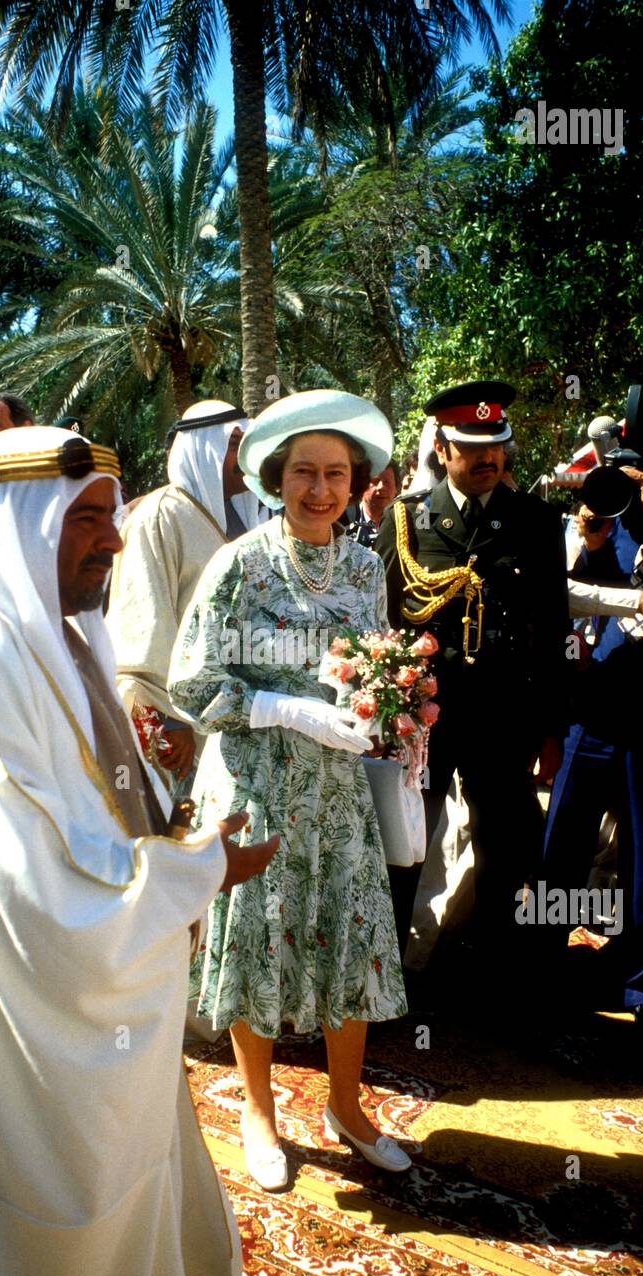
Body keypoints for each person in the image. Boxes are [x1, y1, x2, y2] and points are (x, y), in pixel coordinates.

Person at [0, 424, 278, 1276]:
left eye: (111, 517)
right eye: (86, 520)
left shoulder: (63, 638)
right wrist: (196, 873)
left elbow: (83, 813)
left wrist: (163, 823)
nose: (114, 540)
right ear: (22, 524)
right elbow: (31, 886)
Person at [168, 389, 411, 1192]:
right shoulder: (237, 564)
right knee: (258, 943)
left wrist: (377, 716)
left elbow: (370, 666)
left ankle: (346, 1105)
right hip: (255, 783)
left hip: (337, 791)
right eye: (303, 472)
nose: (320, 489)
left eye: (335, 473)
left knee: (351, 937)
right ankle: (259, 1112)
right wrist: (279, 707)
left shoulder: (368, 565)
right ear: (276, 479)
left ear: (356, 481)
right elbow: (190, 681)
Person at [375, 380, 570, 979]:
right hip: (424, 723)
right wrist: (383, 716)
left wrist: (551, 729)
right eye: (473, 448)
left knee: (508, 850)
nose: (489, 459)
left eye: (498, 447)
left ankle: (501, 982)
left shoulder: (536, 523)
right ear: (442, 448)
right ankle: (379, 981)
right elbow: (380, 624)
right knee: (404, 846)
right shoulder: (406, 522)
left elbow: (553, 629)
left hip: (505, 721)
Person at [543, 429, 643, 1028]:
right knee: (561, 845)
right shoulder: (612, 513)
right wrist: (593, 541)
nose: (640, 482)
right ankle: (543, 968)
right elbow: (577, 597)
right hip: (597, 704)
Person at [107, 399, 263, 791]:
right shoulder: (158, 516)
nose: (242, 457)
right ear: (203, 448)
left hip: (241, 712)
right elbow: (142, 626)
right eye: (233, 444)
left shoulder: (248, 518)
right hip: (181, 725)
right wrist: (169, 720)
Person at [344, 461, 400, 548]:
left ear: (396, 487)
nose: (381, 487)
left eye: (387, 482)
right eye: (375, 481)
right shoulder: (343, 519)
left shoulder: (403, 523)